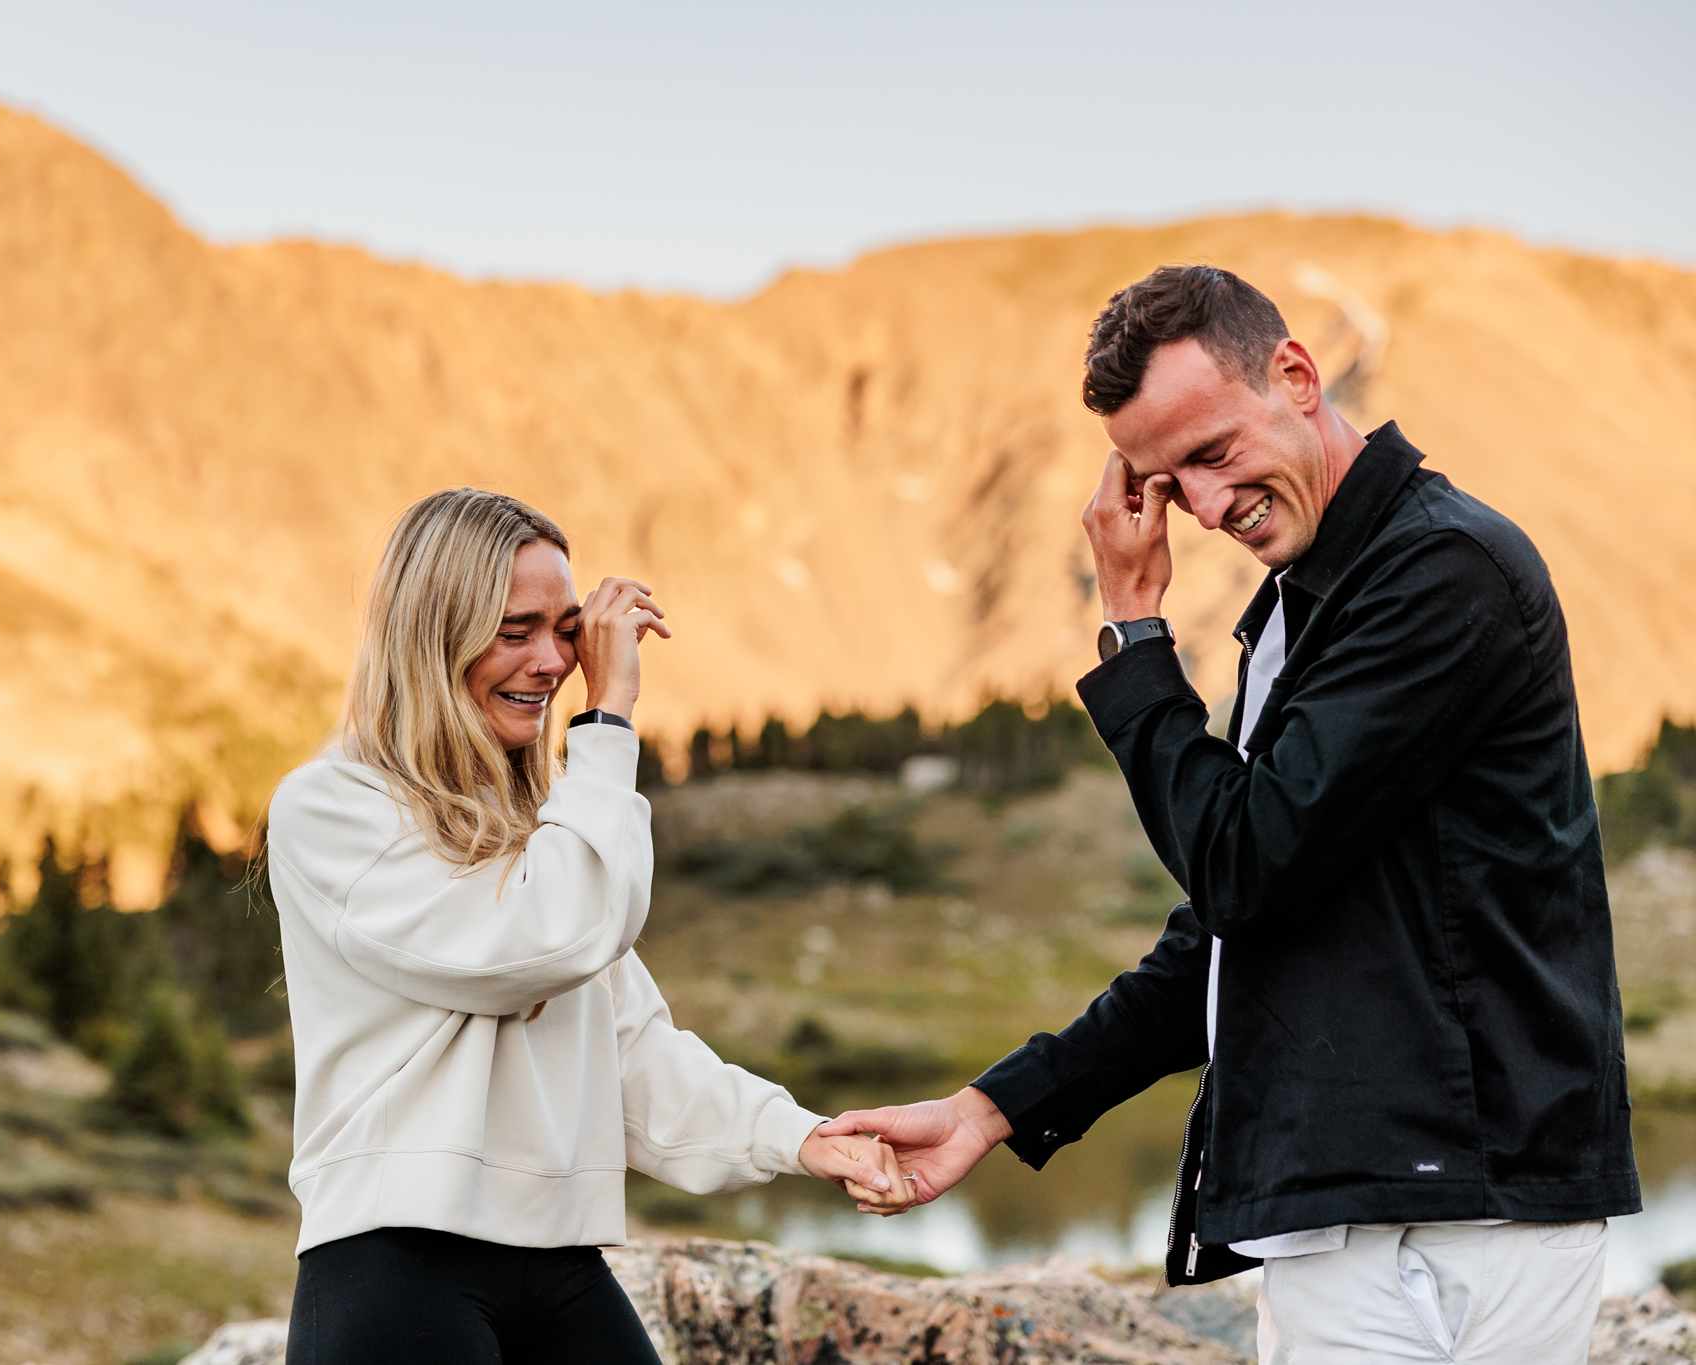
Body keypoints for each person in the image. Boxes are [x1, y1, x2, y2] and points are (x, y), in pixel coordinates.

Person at [821, 265, 1636, 1364]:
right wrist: (990, 1109)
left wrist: (1131, 634)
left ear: (1295, 375)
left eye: (1209, 455)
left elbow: (1240, 862)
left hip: (1453, 1216)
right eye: (1166, 483)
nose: (1203, 510)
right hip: (1362, 1215)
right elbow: (1232, 931)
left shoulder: (1440, 571)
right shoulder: (1306, 609)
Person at [270, 488, 908, 1365]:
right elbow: (548, 940)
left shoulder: (544, 831)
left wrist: (801, 1137)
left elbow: (631, 1050)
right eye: (514, 629)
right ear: (432, 636)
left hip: (561, 1266)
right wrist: (605, 721)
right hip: (395, 1268)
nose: (550, 662)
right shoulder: (334, 805)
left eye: (566, 630)